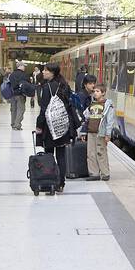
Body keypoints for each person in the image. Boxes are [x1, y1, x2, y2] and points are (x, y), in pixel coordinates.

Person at [34, 63, 80, 193]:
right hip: (63, 125)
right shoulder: (64, 85)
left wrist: (39, 126)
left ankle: (50, 181)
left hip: (50, 127)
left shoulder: (47, 87)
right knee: (61, 155)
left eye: (46, 70)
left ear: (52, 73)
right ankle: (61, 183)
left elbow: (44, 109)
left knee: (49, 155)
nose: (43, 72)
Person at [84, 83, 116, 181]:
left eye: (97, 91)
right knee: (91, 153)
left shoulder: (107, 105)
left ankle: (105, 173)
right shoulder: (92, 104)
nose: (95, 93)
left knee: (101, 152)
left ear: (103, 93)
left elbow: (110, 121)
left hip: (100, 133)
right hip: (91, 131)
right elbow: (86, 116)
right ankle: (94, 173)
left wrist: (108, 134)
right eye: (94, 91)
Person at [4, 60, 31, 130]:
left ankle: (13, 124)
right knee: (21, 109)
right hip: (21, 95)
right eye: (24, 66)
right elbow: (28, 84)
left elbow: (9, 83)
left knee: (13, 109)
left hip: (12, 94)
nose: (24, 67)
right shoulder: (24, 75)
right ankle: (17, 125)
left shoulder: (12, 74)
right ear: (20, 66)